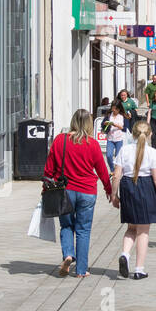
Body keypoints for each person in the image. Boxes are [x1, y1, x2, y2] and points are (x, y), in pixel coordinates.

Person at [43, 108, 112, 278]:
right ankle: (81, 270)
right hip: (87, 192)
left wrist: (45, 189)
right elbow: (102, 170)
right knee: (83, 230)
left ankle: (68, 254)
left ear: (73, 121)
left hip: (64, 192)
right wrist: (109, 190)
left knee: (66, 225)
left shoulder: (60, 140)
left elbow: (49, 170)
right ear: (89, 124)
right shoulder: (93, 144)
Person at [112, 121, 156, 280]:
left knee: (131, 227)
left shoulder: (124, 150)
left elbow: (117, 175)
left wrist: (113, 195)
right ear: (150, 134)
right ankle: (139, 269)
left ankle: (125, 254)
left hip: (128, 187)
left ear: (132, 134)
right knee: (143, 231)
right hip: (146, 187)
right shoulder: (152, 152)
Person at [103, 100, 127, 174]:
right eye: (112, 108)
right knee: (109, 155)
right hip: (110, 138)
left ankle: (117, 171)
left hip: (119, 139)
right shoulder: (109, 115)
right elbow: (103, 123)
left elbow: (124, 127)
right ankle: (112, 170)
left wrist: (114, 124)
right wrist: (105, 124)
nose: (114, 110)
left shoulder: (121, 116)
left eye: (115, 109)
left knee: (117, 156)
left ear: (119, 109)